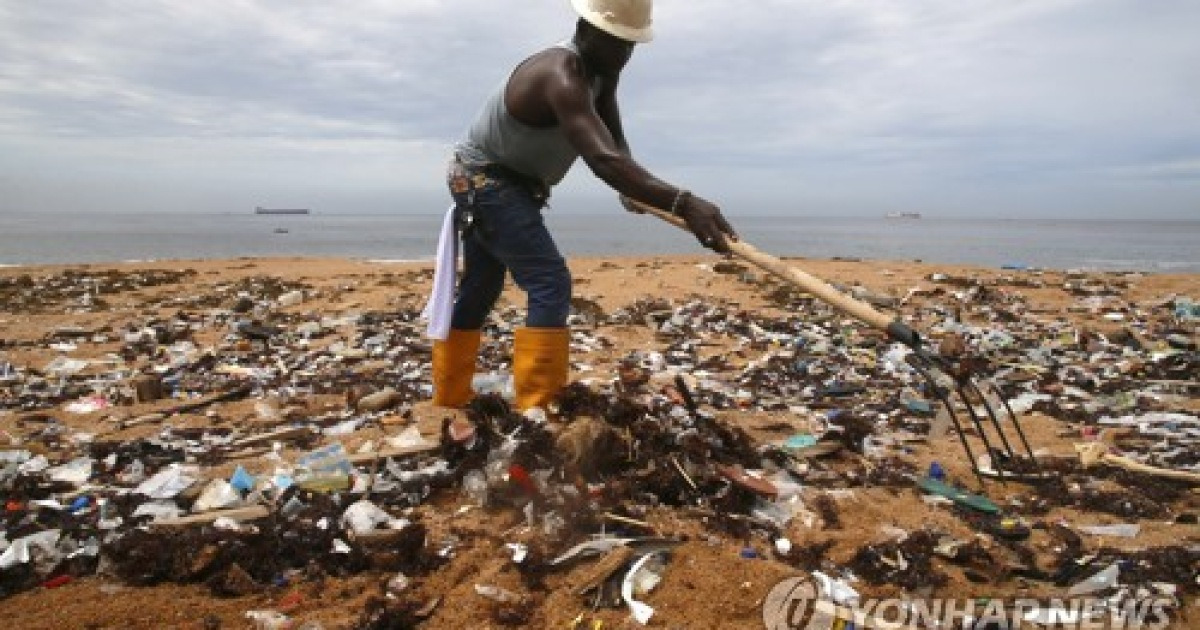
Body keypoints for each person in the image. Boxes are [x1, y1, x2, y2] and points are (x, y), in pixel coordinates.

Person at [431, 0, 738, 411]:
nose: (623, 55)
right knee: (549, 282)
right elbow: (602, 160)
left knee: (482, 285)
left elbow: (613, 141)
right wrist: (683, 202)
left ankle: (451, 395)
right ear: (585, 29)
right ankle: (538, 408)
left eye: (630, 45)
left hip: (507, 183)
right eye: (616, 43)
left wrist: (635, 188)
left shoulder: (602, 72)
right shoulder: (562, 74)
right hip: (486, 179)